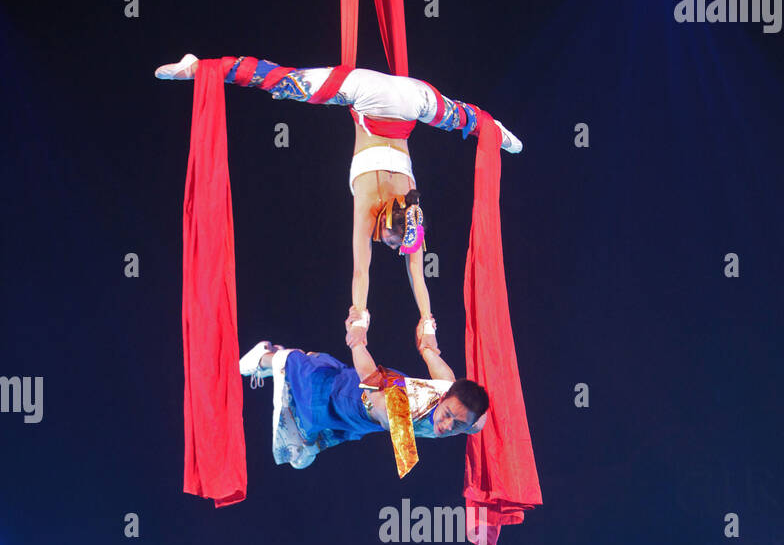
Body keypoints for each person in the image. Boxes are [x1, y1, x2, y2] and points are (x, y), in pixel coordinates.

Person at [155, 53, 522, 349]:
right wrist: (360, 317)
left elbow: (414, 271)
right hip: (369, 93)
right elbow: (362, 271)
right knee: (289, 84)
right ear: (383, 221)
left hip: (412, 97)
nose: (388, 246)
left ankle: (496, 131)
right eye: (391, 242)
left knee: (461, 117)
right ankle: (202, 69)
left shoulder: (411, 212)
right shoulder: (367, 209)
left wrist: (428, 322)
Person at [238, 306, 488, 476]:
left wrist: (427, 333)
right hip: (365, 398)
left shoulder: (463, 408)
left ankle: (312, 361)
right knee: (315, 393)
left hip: (369, 421)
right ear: (442, 398)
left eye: (457, 425)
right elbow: (369, 378)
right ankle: (271, 358)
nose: (446, 426)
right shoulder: (399, 410)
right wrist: (356, 336)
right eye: (446, 415)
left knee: (317, 437)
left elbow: (428, 350)